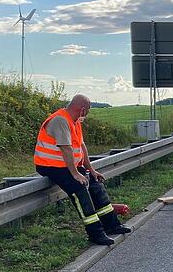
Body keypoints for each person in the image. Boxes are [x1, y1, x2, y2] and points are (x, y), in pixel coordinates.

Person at [33, 95, 132, 246]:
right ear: (82, 110)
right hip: (51, 166)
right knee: (79, 189)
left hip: (67, 165)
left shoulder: (75, 121)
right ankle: (96, 234)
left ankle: (112, 225)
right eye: (89, 110)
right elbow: (66, 149)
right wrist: (75, 174)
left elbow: (81, 146)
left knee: (95, 184)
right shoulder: (60, 120)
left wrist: (90, 170)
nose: (88, 114)